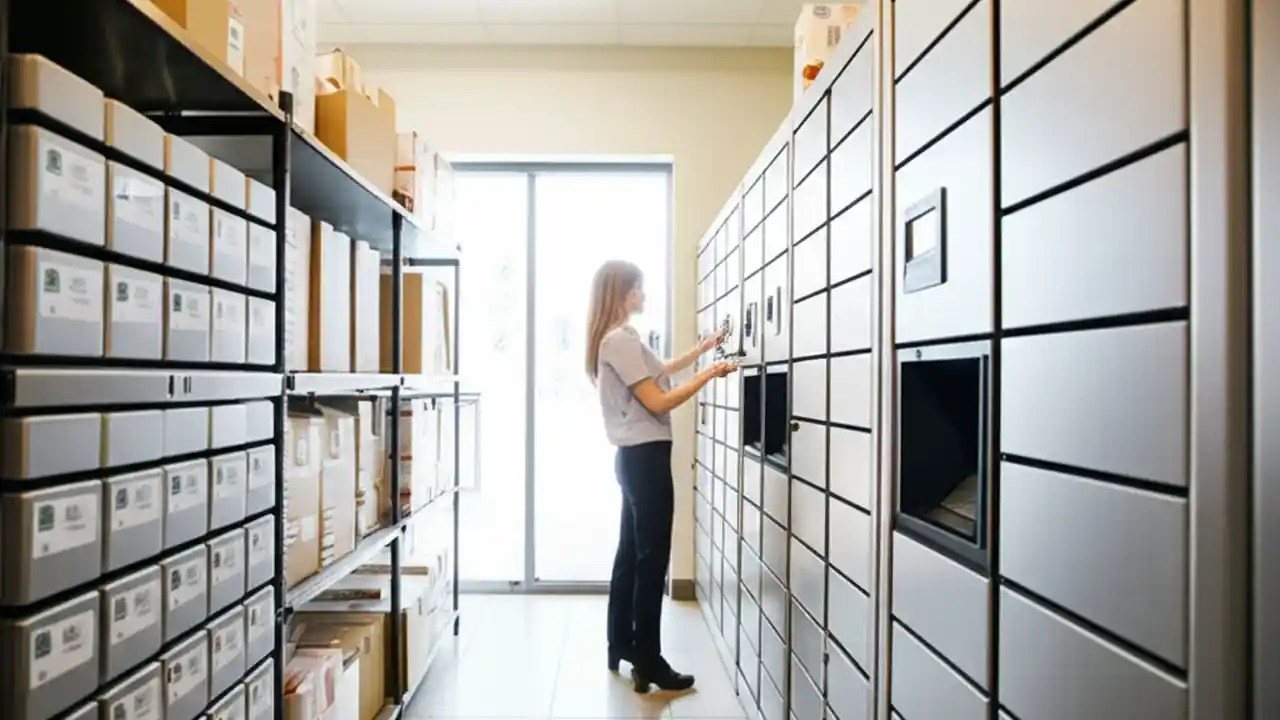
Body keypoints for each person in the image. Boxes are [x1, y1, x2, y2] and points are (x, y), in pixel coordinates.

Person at [585, 259, 738, 693]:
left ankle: (621, 644)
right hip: (646, 462)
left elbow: (661, 370)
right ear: (624, 293)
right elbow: (659, 400)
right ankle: (649, 661)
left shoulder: (618, 339)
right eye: (639, 289)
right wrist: (712, 373)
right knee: (652, 564)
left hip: (633, 461)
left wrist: (704, 348)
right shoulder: (619, 339)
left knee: (630, 556)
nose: (644, 295)